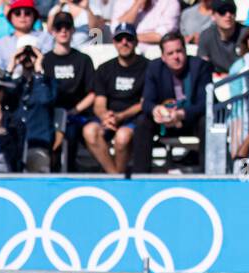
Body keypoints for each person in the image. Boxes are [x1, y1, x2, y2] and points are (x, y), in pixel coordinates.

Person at [131, 30, 210, 171]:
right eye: (170, 53)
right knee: (142, 122)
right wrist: (157, 110)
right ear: (163, 57)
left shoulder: (199, 67)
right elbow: (147, 101)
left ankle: (208, 175)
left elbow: (205, 103)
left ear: (185, 51)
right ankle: (140, 177)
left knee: (207, 122)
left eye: (179, 51)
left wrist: (180, 114)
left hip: (191, 120)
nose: (176, 57)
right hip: (164, 122)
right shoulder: (154, 68)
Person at [82, 22, 146, 174]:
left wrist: (121, 116)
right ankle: (115, 177)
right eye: (120, 39)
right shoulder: (104, 69)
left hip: (134, 118)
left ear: (136, 41)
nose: (124, 43)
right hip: (110, 118)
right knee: (90, 131)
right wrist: (105, 116)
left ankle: (116, 179)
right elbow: (99, 102)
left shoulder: (148, 67)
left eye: (129, 39)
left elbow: (144, 103)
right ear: (114, 42)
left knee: (122, 137)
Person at [45, 9, 92, 170]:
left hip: (77, 113)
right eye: (59, 27)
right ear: (52, 31)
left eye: (67, 27)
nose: (63, 31)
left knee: (71, 133)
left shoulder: (83, 60)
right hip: (51, 114)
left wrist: (74, 111)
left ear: (73, 30)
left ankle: (70, 175)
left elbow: (92, 93)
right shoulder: (45, 60)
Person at [9, 37, 55, 171]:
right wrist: (11, 66)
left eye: (32, 54)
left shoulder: (48, 82)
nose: (28, 58)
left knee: (38, 166)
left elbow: (44, 99)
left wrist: (39, 70)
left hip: (37, 142)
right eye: (23, 54)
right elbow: (2, 97)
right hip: (12, 142)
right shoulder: (14, 84)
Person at [0, 0, 52, 68]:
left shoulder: (45, 38)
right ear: (10, 17)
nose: (22, 16)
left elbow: (51, 66)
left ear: (34, 16)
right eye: (17, 13)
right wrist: (11, 67)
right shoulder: (2, 43)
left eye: (27, 13)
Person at [196, 0, 240, 74]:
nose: (228, 15)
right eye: (222, 11)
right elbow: (202, 68)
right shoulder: (206, 36)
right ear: (213, 16)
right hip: (218, 80)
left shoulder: (247, 35)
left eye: (232, 10)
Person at [109, 0, 180, 44]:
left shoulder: (170, 2)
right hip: (127, 52)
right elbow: (115, 30)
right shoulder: (122, 2)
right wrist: (137, 4)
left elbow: (163, 35)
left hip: (156, 53)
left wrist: (129, 36)